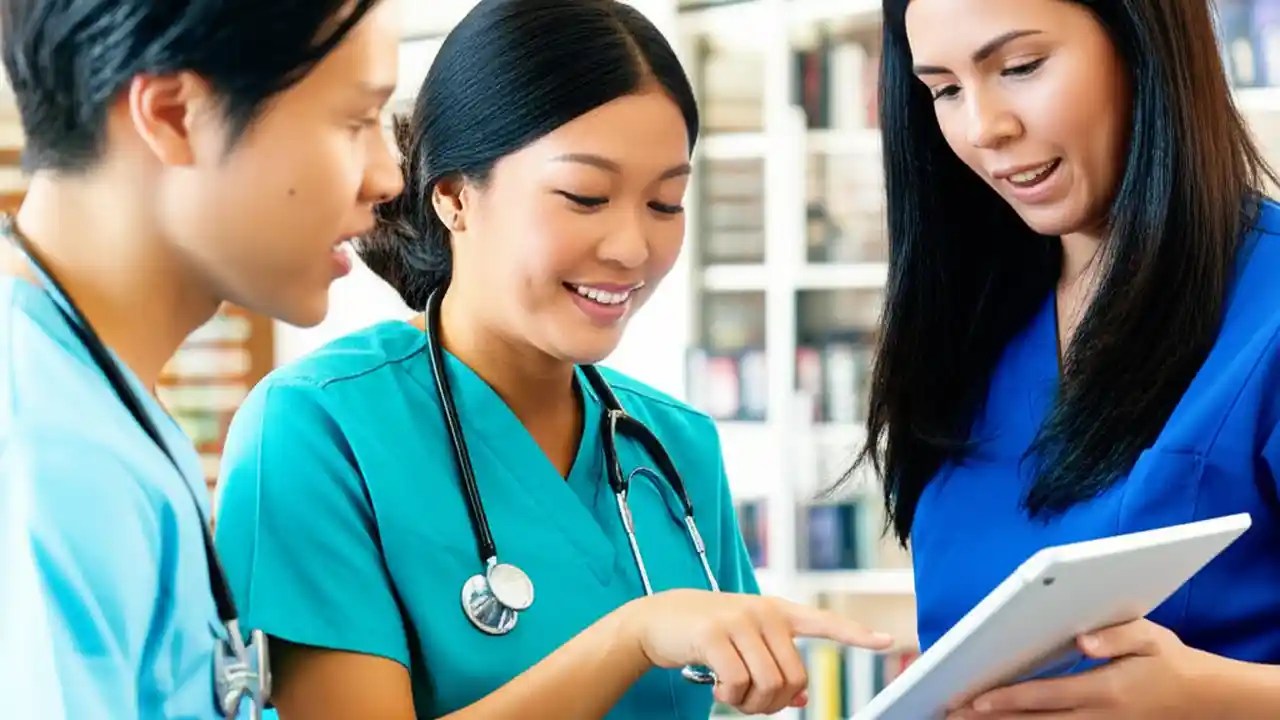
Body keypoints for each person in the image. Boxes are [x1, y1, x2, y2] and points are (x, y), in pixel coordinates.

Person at [211, 0, 894, 718]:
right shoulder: (317, 426)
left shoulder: (674, 445)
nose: (632, 248)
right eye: (585, 196)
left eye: (665, 204)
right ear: (453, 197)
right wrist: (632, 636)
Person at [855, 0, 1280, 716]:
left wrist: (1218, 698)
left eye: (1020, 68)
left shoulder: (1264, 308)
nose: (985, 128)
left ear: (1141, 44)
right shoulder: (969, 317)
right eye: (945, 90)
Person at [0, 0, 403, 717]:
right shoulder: (46, 457)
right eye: (354, 123)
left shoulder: (93, 397)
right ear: (172, 116)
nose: (388, 177)